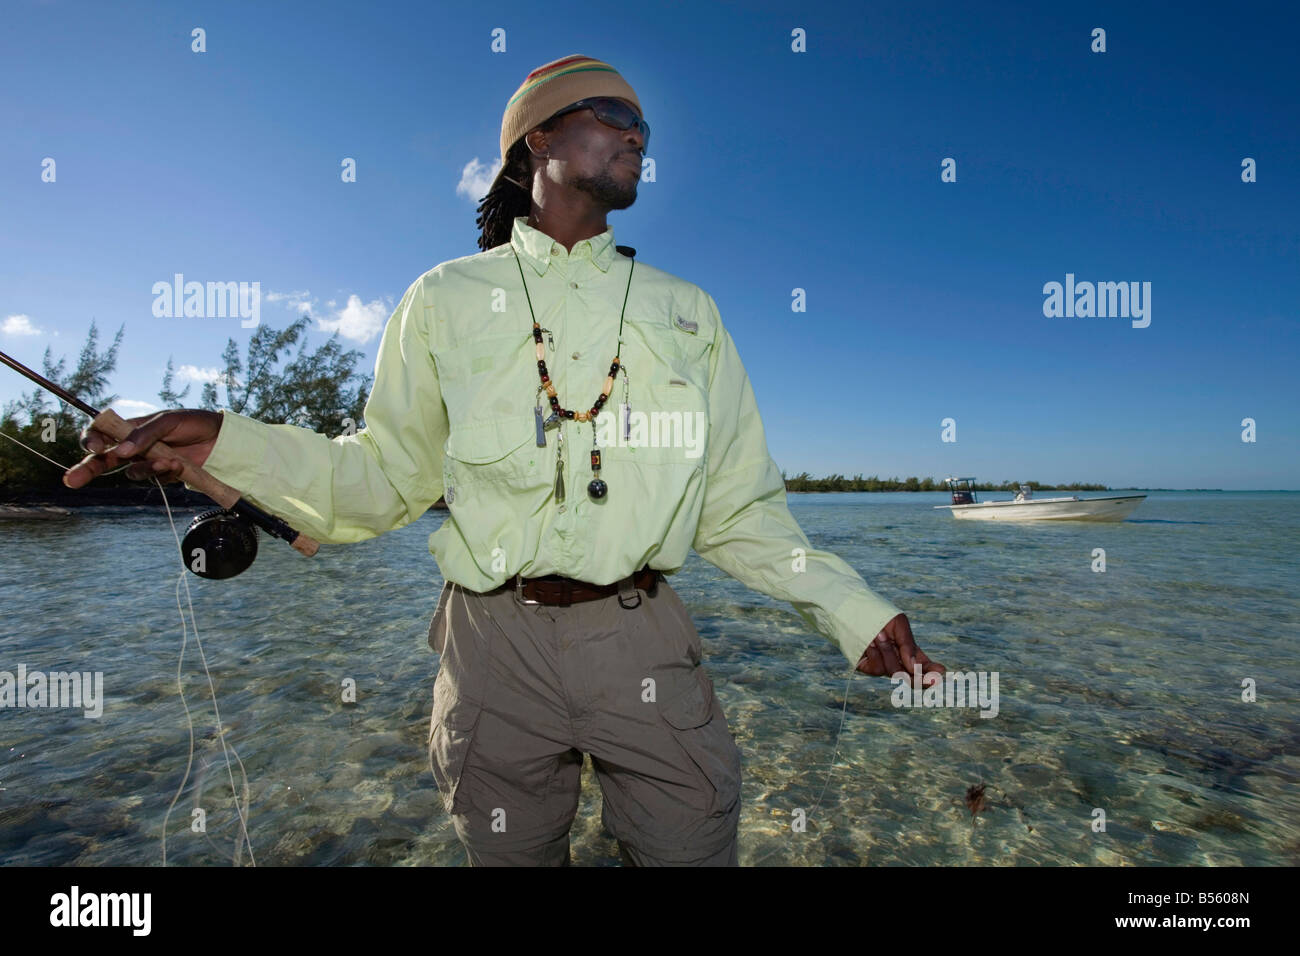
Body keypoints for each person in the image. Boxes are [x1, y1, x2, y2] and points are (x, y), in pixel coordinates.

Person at [65, 54, 944, 866]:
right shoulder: (443, 299)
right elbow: (378, 482)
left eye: (645, 126)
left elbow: (738, 510)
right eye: (613, 114)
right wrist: (222, 438)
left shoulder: (690, 313)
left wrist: (851, 608)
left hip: (642, 638)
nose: (639, 135)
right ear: (541, 139)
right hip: (490, 649)